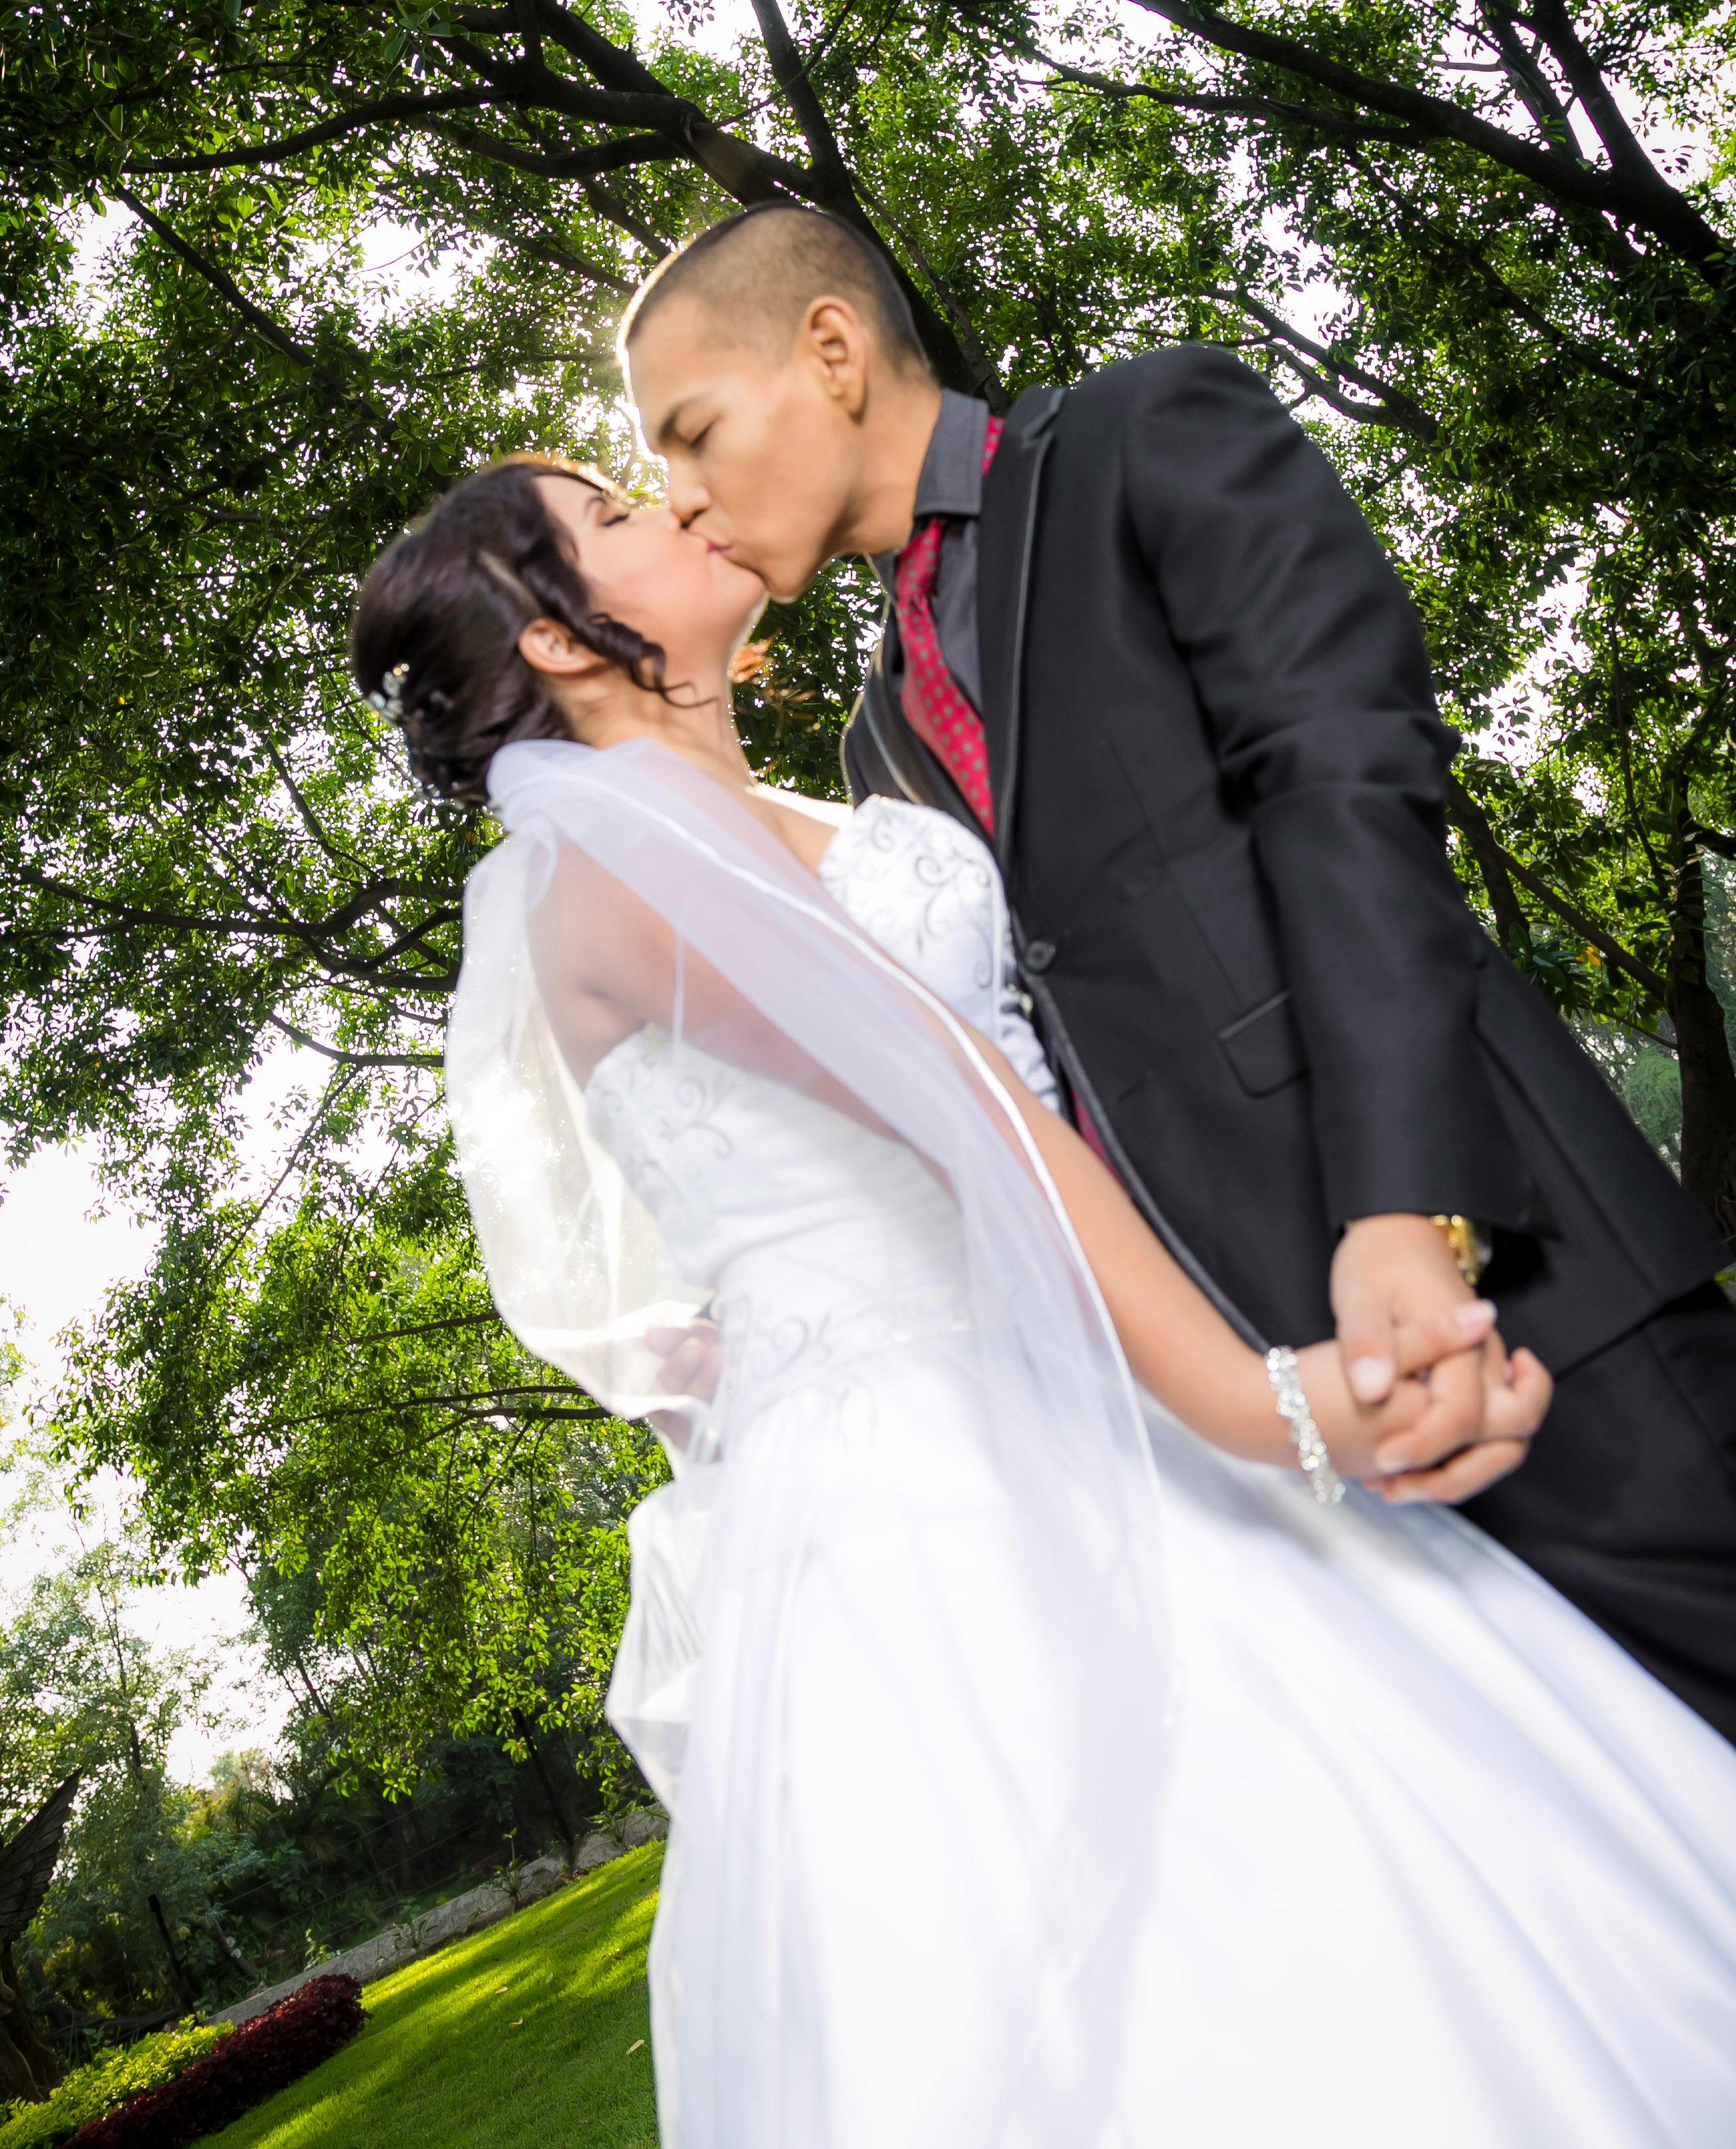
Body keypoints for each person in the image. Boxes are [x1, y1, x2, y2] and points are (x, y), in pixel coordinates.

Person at [352, 457, 1733, 2149]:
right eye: (621, 514)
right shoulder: (618, 874)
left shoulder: (829, 806)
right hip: (937, 1493)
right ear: (561, 642)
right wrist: (1272, 1408)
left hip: (1080, 1364)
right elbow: (972, 1113)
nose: (685, 507)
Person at [618, 200, 1736, 1747]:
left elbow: (1344, 786)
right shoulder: (877, 747)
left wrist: (1407, 1213)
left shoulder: (1143, 435)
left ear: (831, 352)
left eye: (692, 433)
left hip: (1518, 1285)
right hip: (1286, 1424)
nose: (680, 496)